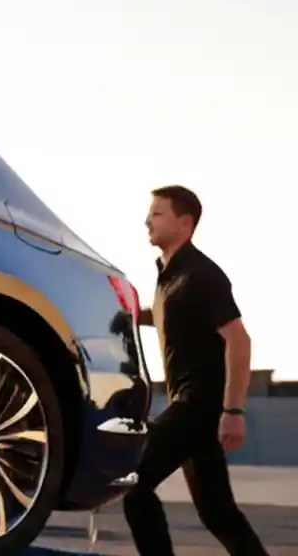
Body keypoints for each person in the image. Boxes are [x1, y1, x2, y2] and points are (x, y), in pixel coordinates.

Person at [124, 185, 268, 555]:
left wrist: (233, 410)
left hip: (198, 406)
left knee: (134, 483)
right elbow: (174, 318)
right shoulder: (169, 276)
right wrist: (128, 314)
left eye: (157, 214)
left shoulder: (203, 275)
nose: (146, 222)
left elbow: (239, 340)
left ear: (184, 224)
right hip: (192, 407)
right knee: (218, 513)